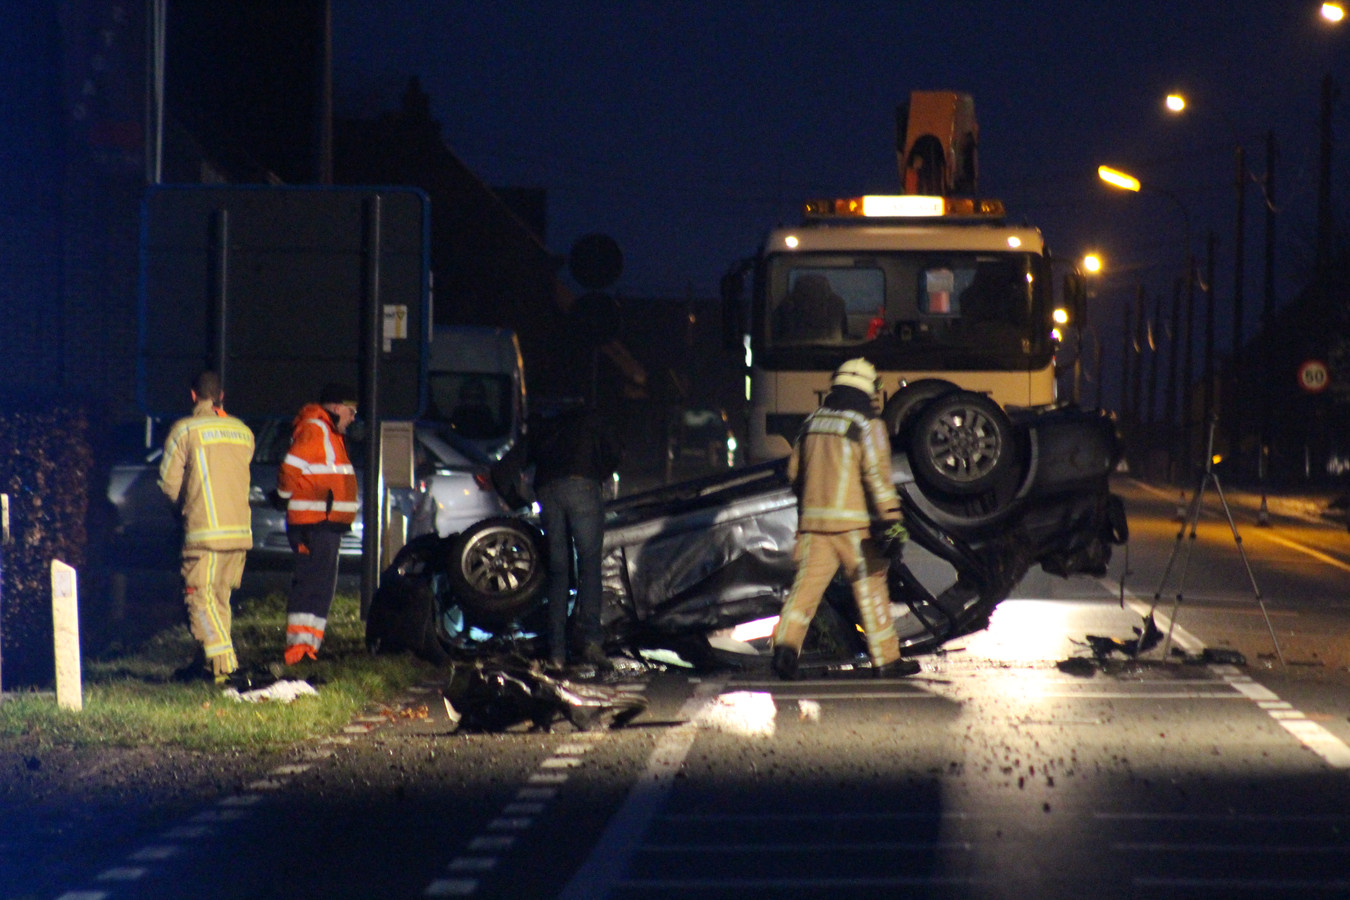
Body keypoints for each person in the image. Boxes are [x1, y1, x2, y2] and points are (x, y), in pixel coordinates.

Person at [770, 357, 920, 680]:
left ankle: (785, 650)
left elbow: (794, 473)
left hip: (813, 528)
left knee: (804, 591)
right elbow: (878, 480)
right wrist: (892, 521)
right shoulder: (868, 426)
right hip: (856, 530)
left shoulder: (811, 423)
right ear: (868, 389)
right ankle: (887, 661)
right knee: (872, 591)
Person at [502, 398, 622, 670]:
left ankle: (557, 653)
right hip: (583, 487)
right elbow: (616, 452)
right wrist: (597, 474)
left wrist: (518, 505)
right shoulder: (591, 419)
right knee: (589, 565)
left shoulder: (542, 427)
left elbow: (502, 471)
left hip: (548, 491)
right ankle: (590, 642)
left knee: (559, 570)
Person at [158, 370, 255, 684]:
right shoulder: (243, 432)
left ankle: (226, 666)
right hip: (240, 534)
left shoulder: (185, 430)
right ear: (221, 396)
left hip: (204, 535)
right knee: (220, 601)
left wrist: (185, 512)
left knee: (200, 599)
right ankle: (206, 666)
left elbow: (168, 484)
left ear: (192, 395)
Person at [274, 383, 359, 667]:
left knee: (320, 589)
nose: (353, 416)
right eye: (351, 410)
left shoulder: (328, 432)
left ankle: (308, 649)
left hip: (325, 524)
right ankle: (298, 651)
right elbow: (290, 468)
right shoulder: (316, 429)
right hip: (313, 524)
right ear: (336, 408)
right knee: (311, 587)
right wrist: (284, 497)